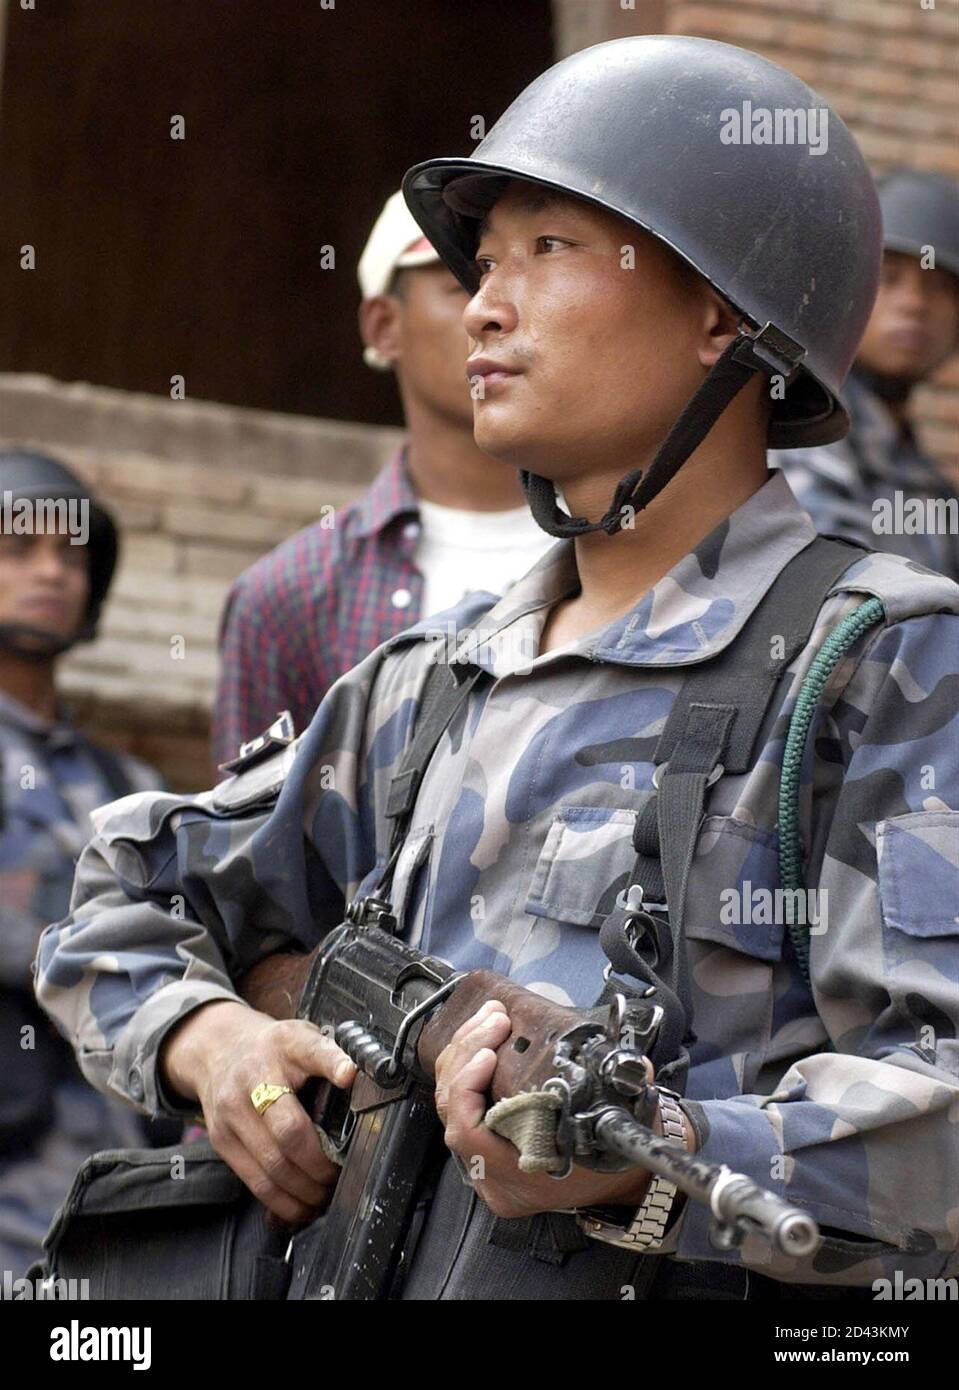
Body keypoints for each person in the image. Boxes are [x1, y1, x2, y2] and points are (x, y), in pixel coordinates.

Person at [37, 37, 957, 1300]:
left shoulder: (879, 661)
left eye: (550, 248)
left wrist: (658, 1162)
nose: (482, 301)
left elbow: (941, 1109)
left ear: (719, 315)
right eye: (483, 261)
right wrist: (211, 1041)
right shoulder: (430, 684)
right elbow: (121, 893)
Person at [213, 190, 553, 768]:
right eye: (464, 284)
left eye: (527, 282)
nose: (493, 311)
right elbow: (255, 846)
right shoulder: (288, 599)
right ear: (383, 326)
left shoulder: (631, 538)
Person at [0, 451, 167, 1281]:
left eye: (71, 558)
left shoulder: (123, 784)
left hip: (114, 1183)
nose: (50, 573)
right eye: (19, 551)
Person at [770, 169, 959, 582]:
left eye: (940, 287)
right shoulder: (800, 432)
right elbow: (833, 588)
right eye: (890, 278)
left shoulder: (925, 478)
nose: (914, 304)